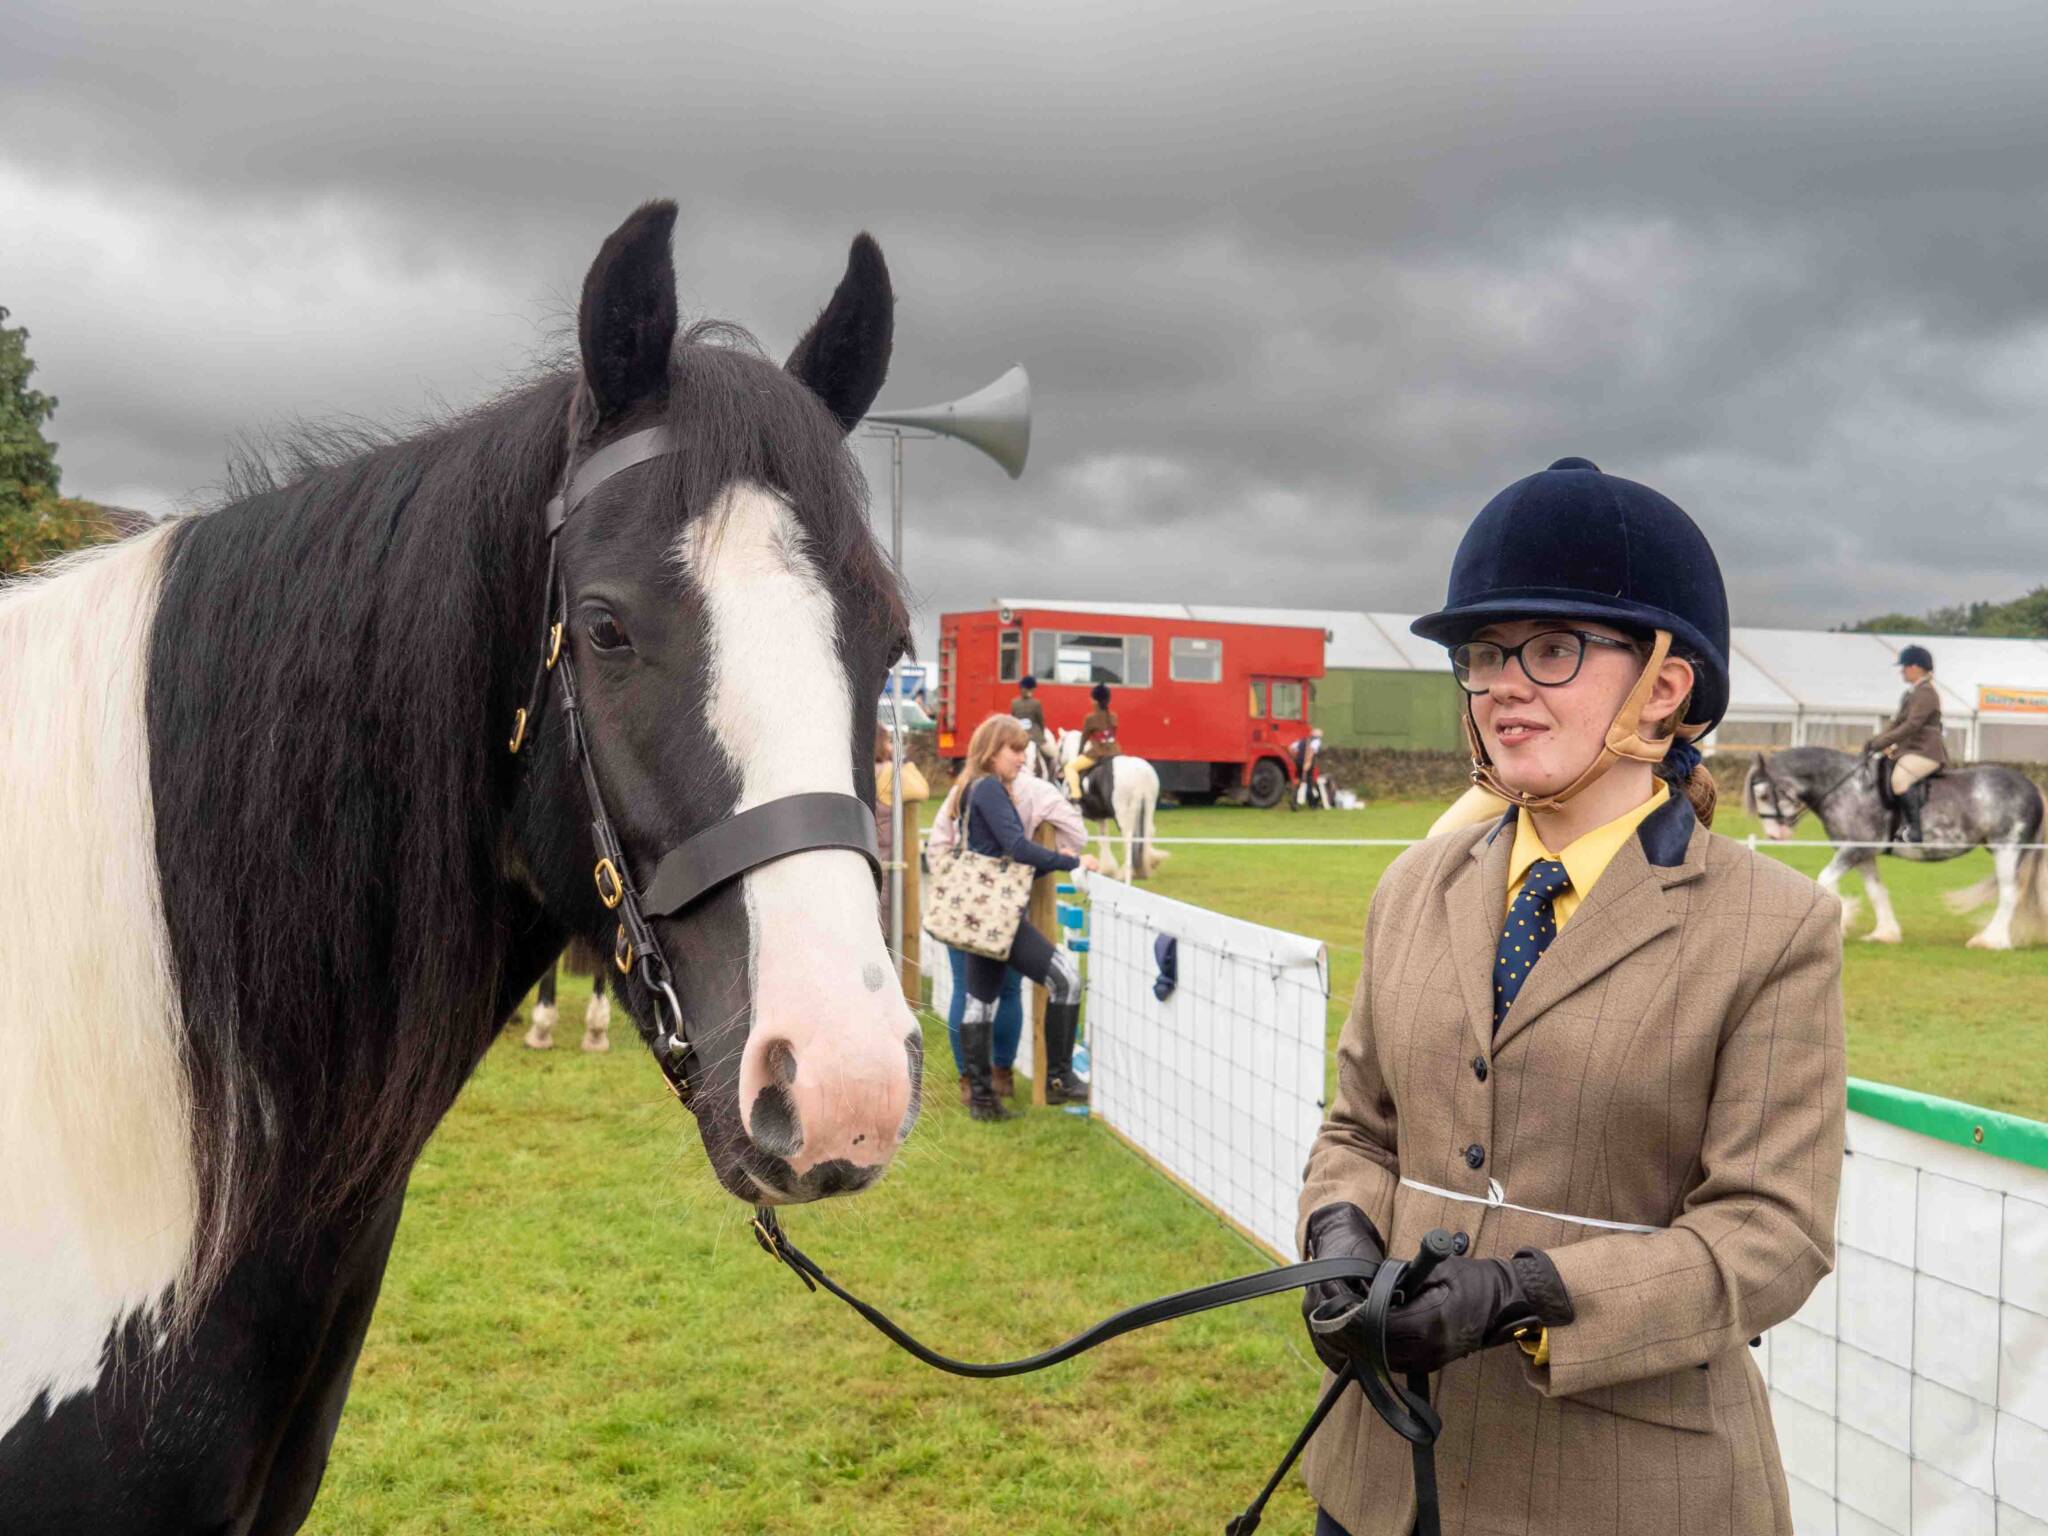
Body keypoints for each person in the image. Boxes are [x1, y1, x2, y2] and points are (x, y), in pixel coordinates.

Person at [1298, 458, 1844, 1536]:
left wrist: (1528, 1296)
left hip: (1622, 1490)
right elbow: (1357, 1126)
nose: (1503, 684)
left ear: (1663, 683)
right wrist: (1337, 1235)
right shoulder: (1413, 886)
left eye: (1549, 650)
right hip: (1377, 1477)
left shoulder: (1774, 927)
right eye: (1483, 656)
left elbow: (1770, 1234)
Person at [942, 714, 1099, 1118]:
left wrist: (1051, 861)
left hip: (981, 911)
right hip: (1000, 914)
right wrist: (1073, 861)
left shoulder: (971, 787)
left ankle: (982, 1100)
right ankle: (1060, 1078)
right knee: (1066, 978)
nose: (1023, 760)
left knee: (980, 1003)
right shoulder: (992, 789)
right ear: (993, 751)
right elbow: (1015, 846)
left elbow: (1000, 855)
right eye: (1015, 751)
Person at [1866, 644, 1946, 845]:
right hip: (1911, 749)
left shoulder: (1926, 693)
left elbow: (1912, 725)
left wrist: (1883, 742)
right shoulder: (1911, 693)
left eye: (1904, 667)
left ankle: (1915, 832)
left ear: (1916, 667)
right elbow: (1898, 722)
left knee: (1900, 780)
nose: (1902, 671)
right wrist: (1877, 741)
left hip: (1926, 751)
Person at [1064, 682, 1120, 802]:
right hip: (1115, 752)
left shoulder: (1090, 718)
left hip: (1097, 754)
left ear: (1095, 701)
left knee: (1070, 767)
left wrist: (1079, 753)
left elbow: (1084, 739)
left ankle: (1075, 794)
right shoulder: (1114, 717)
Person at [1009, 673, 1047, 761]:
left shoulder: (1014, 703)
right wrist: (1042, 736)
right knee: (1053, 754)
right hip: (1034, 736)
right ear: (1030, 689)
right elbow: (1040, 722)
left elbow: (1012, 721)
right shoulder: (1036, 703)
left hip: (1018, 735)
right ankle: (1057, 771)